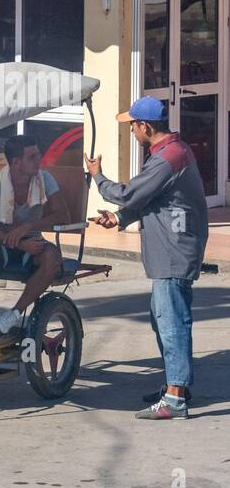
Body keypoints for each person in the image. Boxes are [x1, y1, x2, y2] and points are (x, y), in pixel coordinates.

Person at [88, 96, 209, 420]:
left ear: (145, 126)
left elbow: (131, 194)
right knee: (165, 320)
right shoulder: (173, 151)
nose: (131, 131)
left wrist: (98, 177)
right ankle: (177, 386)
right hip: (174, 248)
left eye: (132, 126)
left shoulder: (167, 158)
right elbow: (153, 199)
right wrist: (119, 219)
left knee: (171, 324)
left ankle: (175, 398)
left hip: (173, 251)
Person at [0, 135, 69, 338]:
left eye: (38, 155)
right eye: (32, 157)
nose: (38, 160)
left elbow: (62, 215)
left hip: (33, 241)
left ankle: (15, 314)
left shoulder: (45, 179)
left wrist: (28, 227)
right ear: (16, 162)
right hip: (2, 244)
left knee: (52, 258)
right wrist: (19, 243)